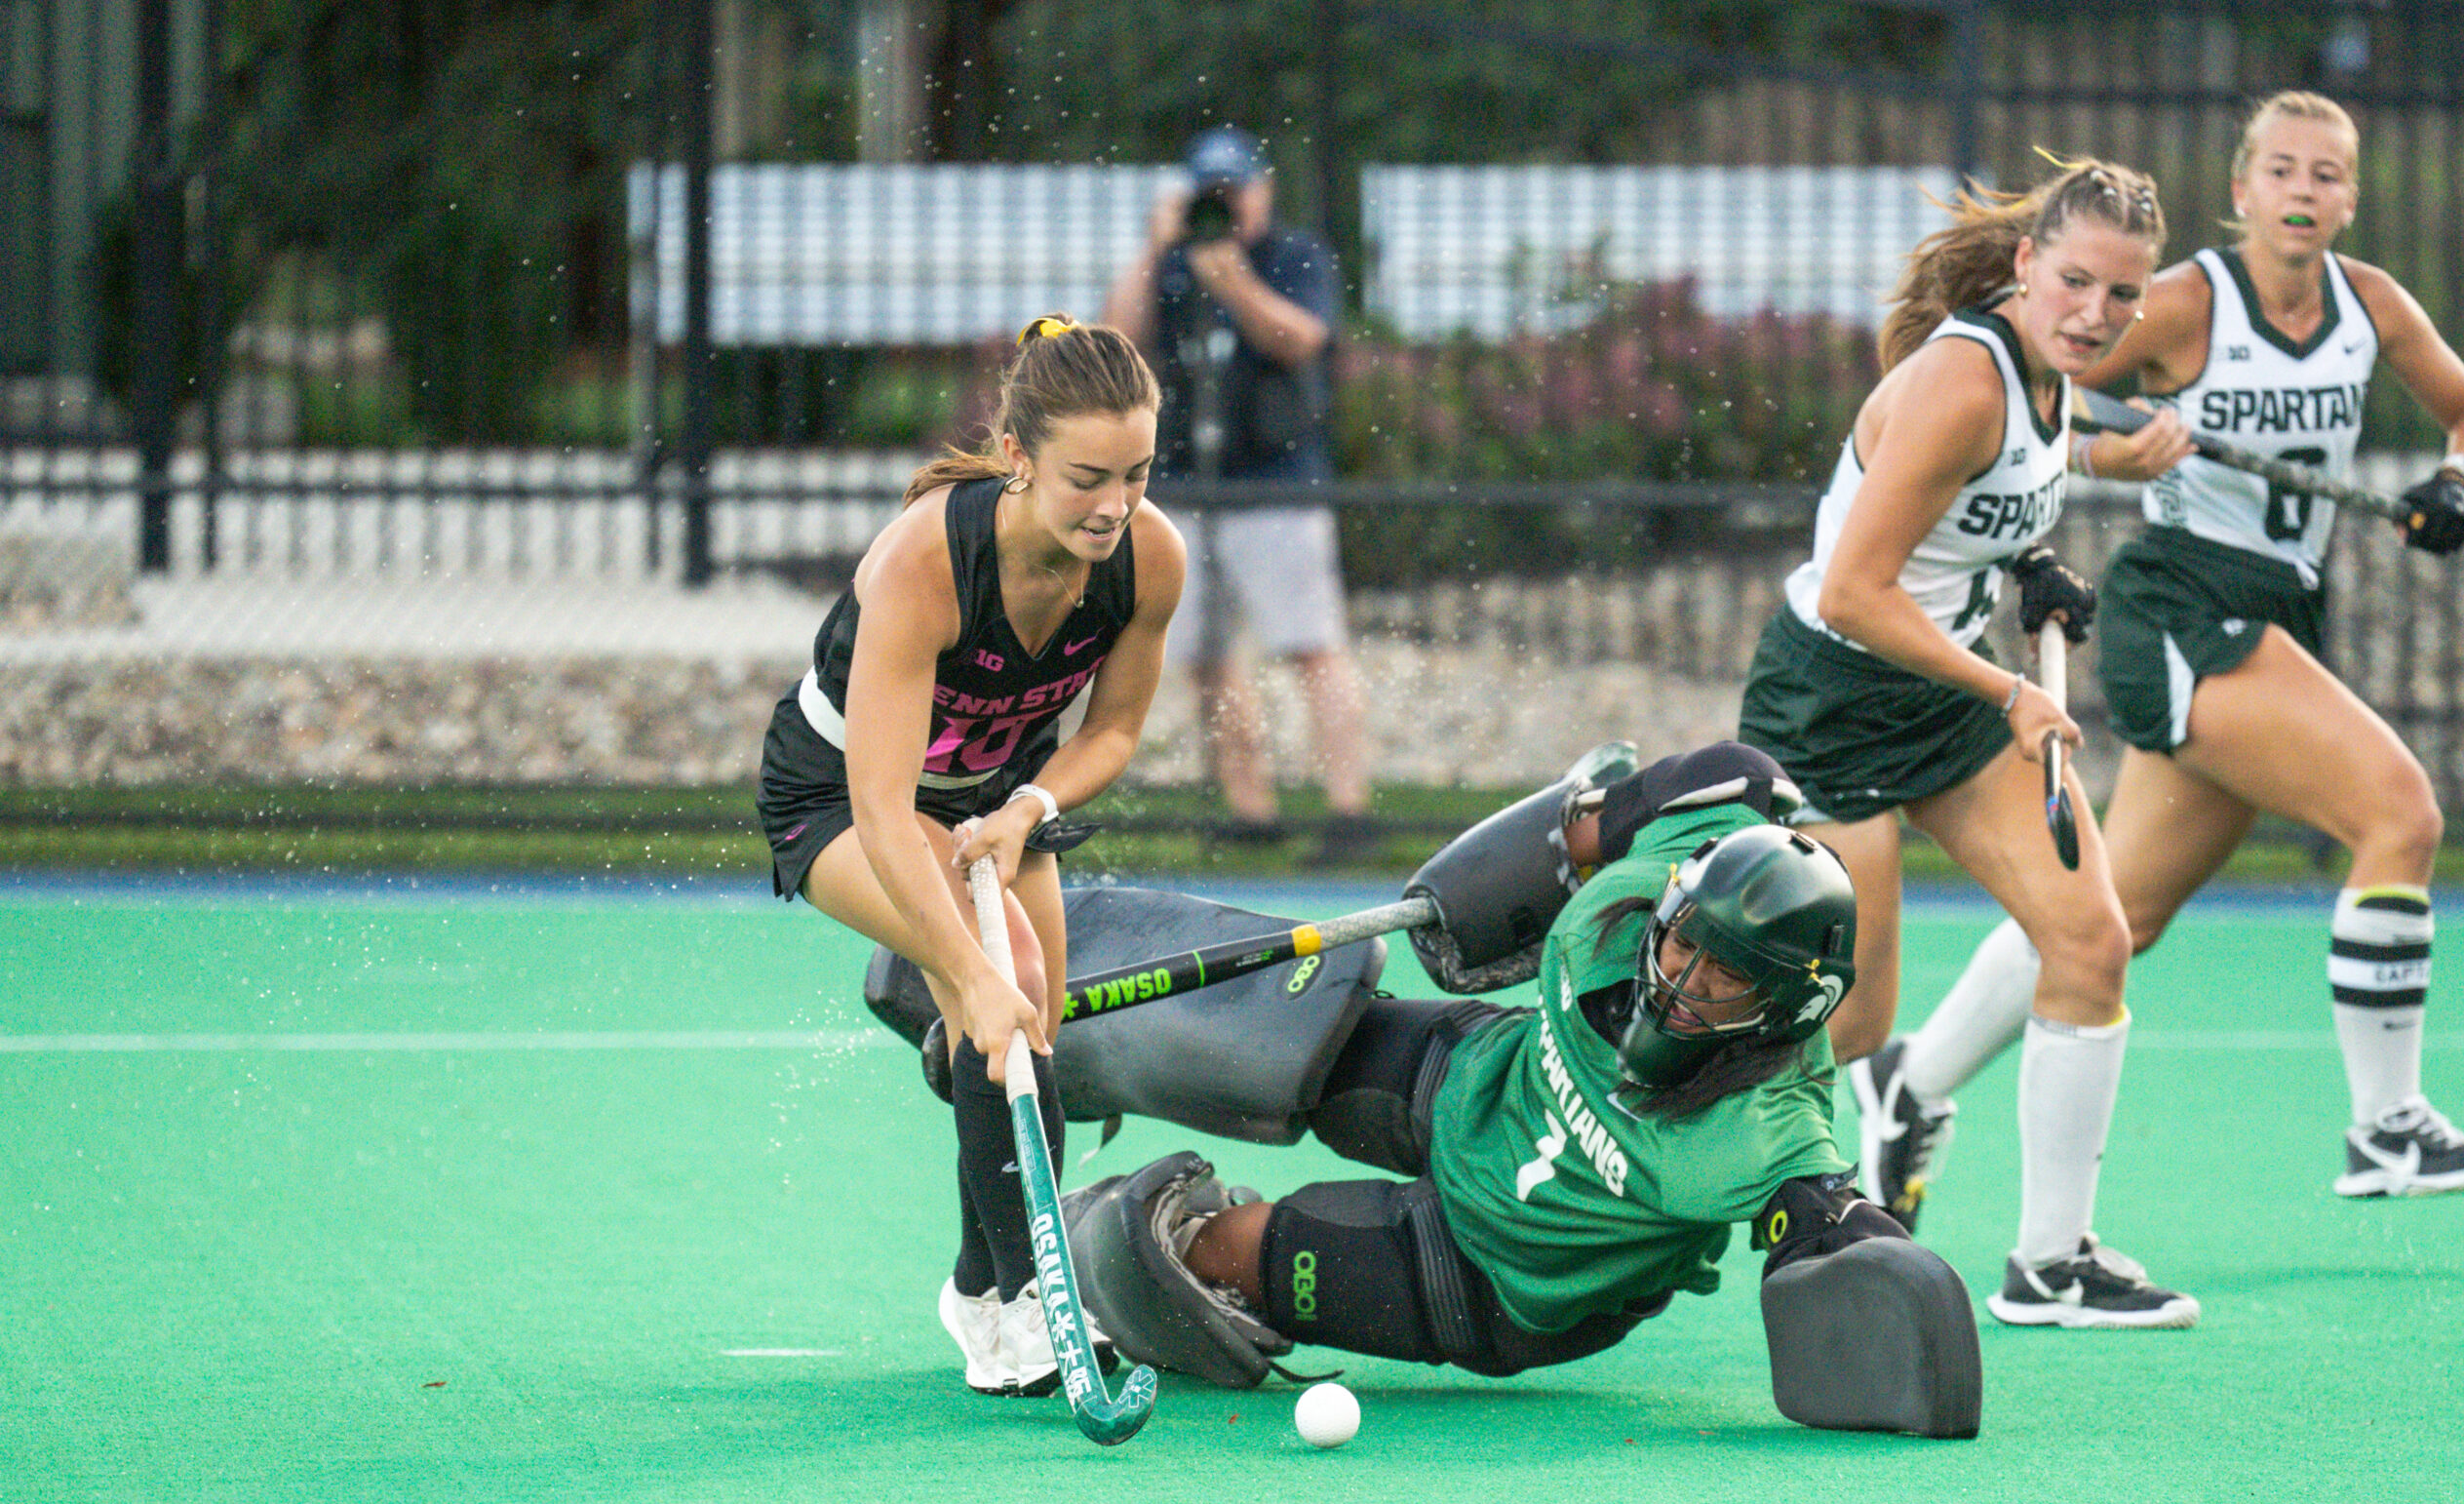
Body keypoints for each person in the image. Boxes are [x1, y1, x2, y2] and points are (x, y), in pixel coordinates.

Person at [1853, 93, 2464, 1216]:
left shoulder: (2371, 306)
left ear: (2351, 196)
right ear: (2240, 191)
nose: (2304, 191)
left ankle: (1902, 1082)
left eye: (2327, 174)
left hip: (2281, 609)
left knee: (2111, 918)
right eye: (2281, 170)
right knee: (2402, 809)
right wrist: (2117, 446)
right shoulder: (2184, 304)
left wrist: (2459, 484)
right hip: (2183, 605)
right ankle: (2386, 1126)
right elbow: (2034, 388)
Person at [1058, 745, 1984, 1439]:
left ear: (1786, 1007)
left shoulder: (1772, 1133)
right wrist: (1608, 807)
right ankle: (1061, 1019)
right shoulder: (1640, 883)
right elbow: (1721, 785)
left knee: (1193, 1251)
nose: (1683, 977)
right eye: (1682, 940)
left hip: (1486, 1274)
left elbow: (1840, 1235)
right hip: (1475, 1078)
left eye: (1726, 977)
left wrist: (1867, 1268)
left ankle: (1134, 1254)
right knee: (1265, 1030)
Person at [1732, 158, 2208, 1329]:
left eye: (2123, 295)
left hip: (1935, 694)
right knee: (1851, 1022)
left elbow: (1986, 502)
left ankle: (2051, 1260)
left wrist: (2037, 549)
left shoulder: (2052, 381)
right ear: (2024, 267)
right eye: (2077, 283)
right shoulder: (1962, 378)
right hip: (1835, 698)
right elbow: (1851, 586)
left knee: (2090, 939)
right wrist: (2008, 688)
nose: (2097, 314)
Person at [754, 315, 1184, 1398]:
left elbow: (1115, 729)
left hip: (997, 800)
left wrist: (1031, 802)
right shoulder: (924, 560)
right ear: (1017, 457)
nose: (1114, 504)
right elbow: (885, 805)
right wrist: (972, 974)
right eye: (1087, 476)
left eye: (1135, 473)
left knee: (1028, 1032)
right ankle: (1022, 1303)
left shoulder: (1147, 557)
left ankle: (978, 1290)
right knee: (1005, 993)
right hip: (843, 801)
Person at [1103, 124, 1376, 857]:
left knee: (1312, 646)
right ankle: (1251, 811)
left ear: (1264, 189)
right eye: (1211, 196)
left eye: (1236, 192)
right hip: (1190, 482)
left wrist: (1232, 280)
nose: (1226, 208)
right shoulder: (1172, 264)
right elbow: (1114, 339)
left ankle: (1350, 811)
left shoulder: (1294, 256)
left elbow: (1302, 339)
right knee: (1207, 656)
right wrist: (1156, 247)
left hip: (1277, 483)